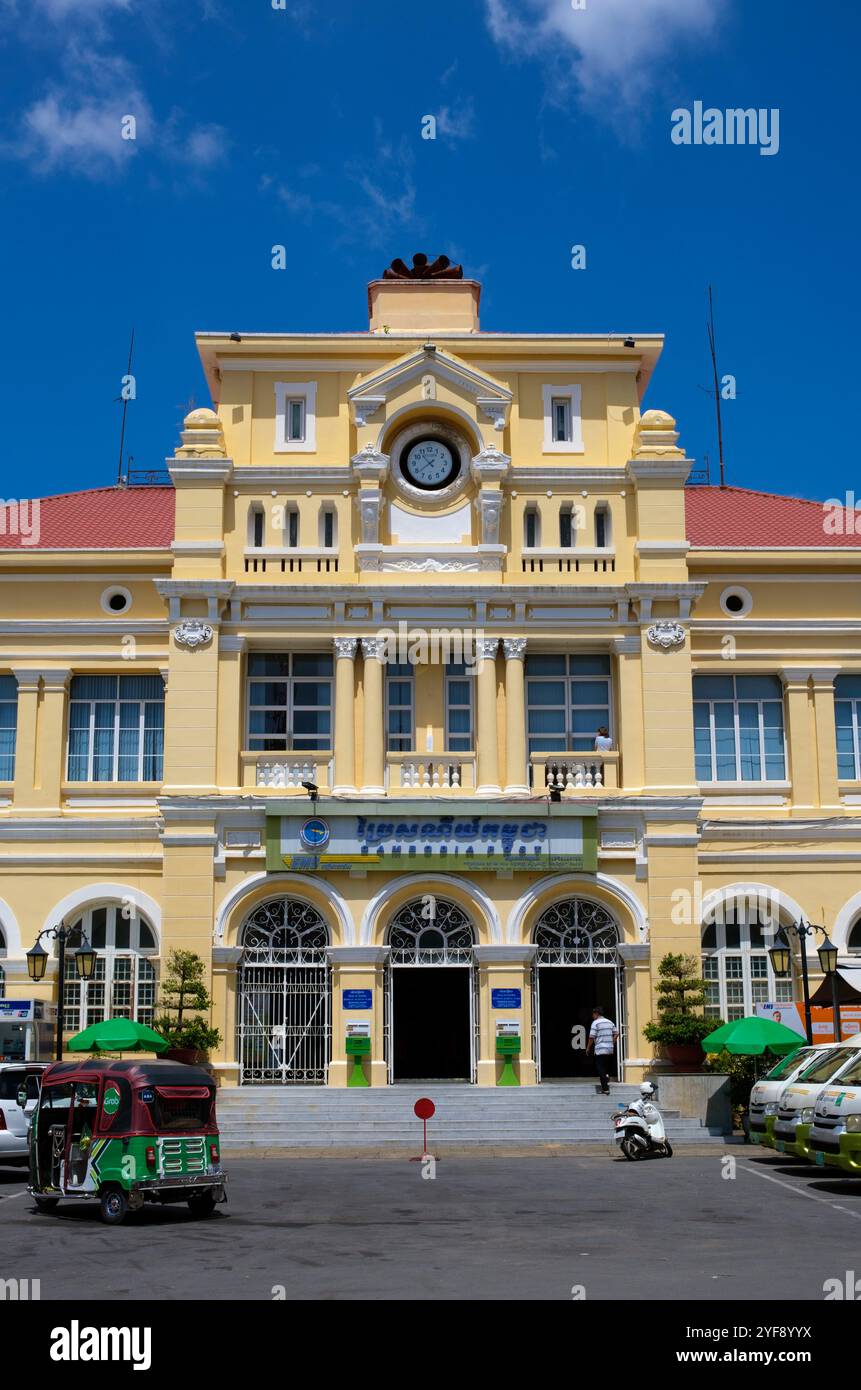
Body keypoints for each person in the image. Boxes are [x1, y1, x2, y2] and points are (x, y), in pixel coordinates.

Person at [586, 1005, 618, 1094]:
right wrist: (612, 1041)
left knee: (600, 1068)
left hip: (600, 1049)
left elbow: (591, 1037)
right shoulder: (609, 1022)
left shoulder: (595, 1023)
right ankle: (606, 1077)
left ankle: (605, 1088)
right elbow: (616, 1033)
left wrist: (588, 1048)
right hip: (609, 1049)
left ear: (596, 1013)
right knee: (605, 1066)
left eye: (593, 1014)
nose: (592, 1016)